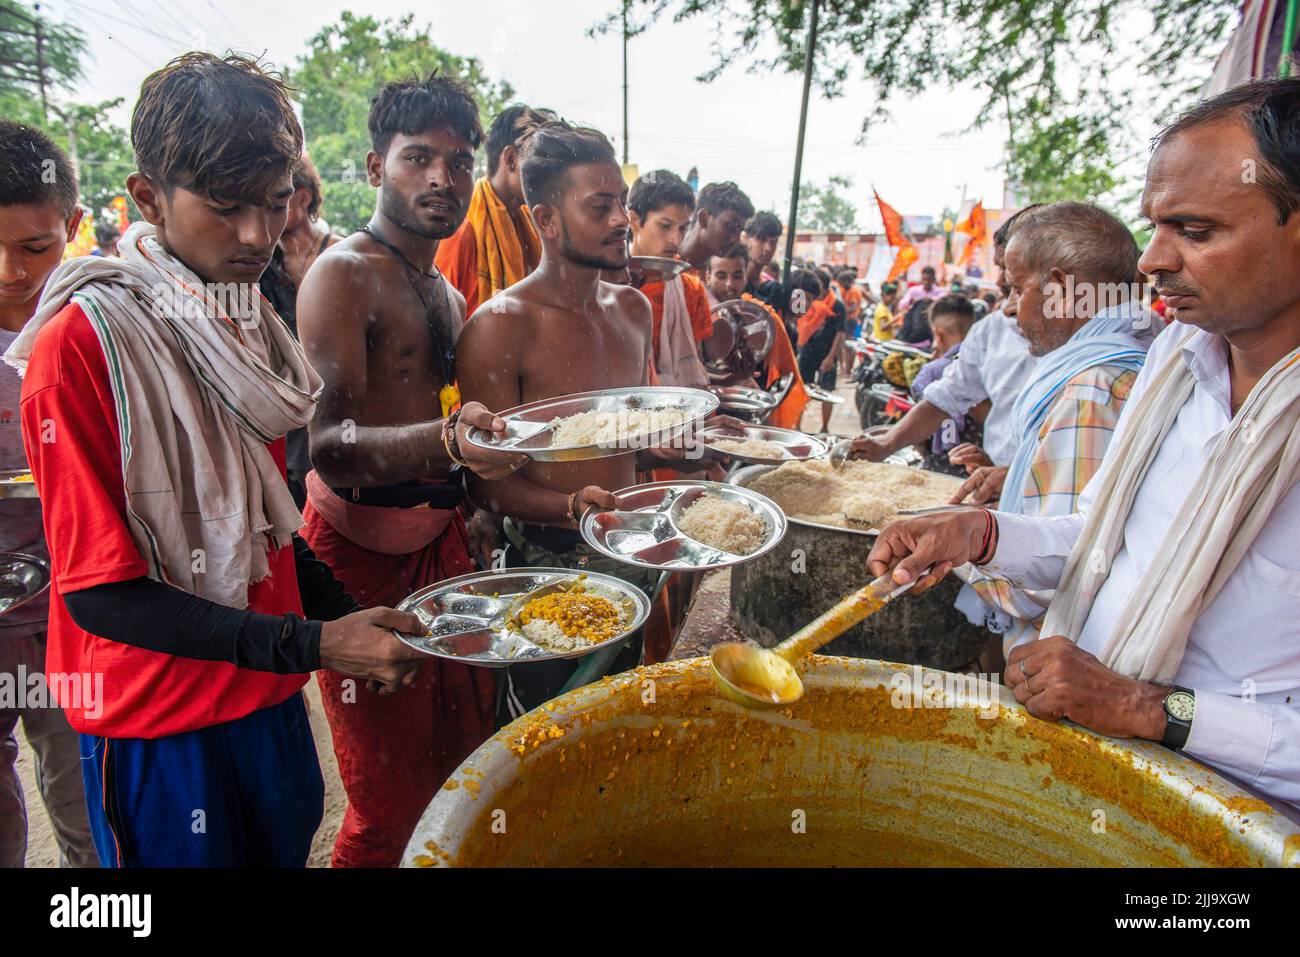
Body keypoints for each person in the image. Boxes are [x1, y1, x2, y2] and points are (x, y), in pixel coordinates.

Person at [6, 52, 435, 868]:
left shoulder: (240, 323)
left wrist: (347, 613)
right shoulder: (84, 346)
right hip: (159, 725)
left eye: (274, 204)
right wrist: (317, 643)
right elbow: (103, 599)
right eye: (224, 207)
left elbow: (269, 523)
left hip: (264, 705)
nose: (254, 236)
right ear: (146, 196)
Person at [868, 77, 1300, 815]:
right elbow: (1101, 537)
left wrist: (1150, 708)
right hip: (1086, 783)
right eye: (1155, 226)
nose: (1151, 260)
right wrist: (981, 531)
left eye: (1195, 231)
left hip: (1226, 830)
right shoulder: (1175, 362)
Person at [295, 74, 527, 868]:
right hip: (356, 558)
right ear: (373, 166)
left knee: (462, 767)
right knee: (387, 801)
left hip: (442, 550)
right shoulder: (341, 273)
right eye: (418, 158)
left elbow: (447, 423)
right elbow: (327, 442)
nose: (441, 179)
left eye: (459, 162)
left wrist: (477, 501)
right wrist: (452, 443)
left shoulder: (447, 293)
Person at [456, 121, 694, 725]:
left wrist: (693, 449)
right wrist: (572, 509)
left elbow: (623, 439)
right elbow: (485, 482)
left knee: (618, 720)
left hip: (631, 545)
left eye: (622, 203)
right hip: (546, 562)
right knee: (545, 731)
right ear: (547, 220)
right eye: (600, 206)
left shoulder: (632, 310)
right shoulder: (499, 326)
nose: (621, 219)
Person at [958, 202, 1153, 648]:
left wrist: (958, 544)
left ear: (1062, 289)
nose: (1007, 309)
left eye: (1015, 288)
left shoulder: (1090, 390)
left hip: (1054, 658)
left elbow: (1049, 578)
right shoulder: (1133, 356)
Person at [0, 120, 97, 869]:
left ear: (72, 225)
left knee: (85, 800)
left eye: (35, 248)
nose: (10, 271)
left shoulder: (95, 326)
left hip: (76, 612)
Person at [851, 207, 1042, 492]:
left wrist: (1015, 473)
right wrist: (886, 443)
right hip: (997, 494)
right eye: (999, 267)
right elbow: (947, 396)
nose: (1000, 280)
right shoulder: (991, 329)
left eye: (1009, 268)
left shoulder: (1099, 351)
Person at [259, 154, 340, 508]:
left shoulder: (338, 255)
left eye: (278, 199)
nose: (263, 212)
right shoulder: (261, 261)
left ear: (303, 198)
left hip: (331, 394)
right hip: (283, 398)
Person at [434, 104, 554, 316]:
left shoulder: (534, 225)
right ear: (510, 159)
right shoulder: (464, 226)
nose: (551, 178)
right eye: (541, 164)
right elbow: (442, 315)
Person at [704, 244, 809, 430]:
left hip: (737, 407)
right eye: (721, 276)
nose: (730, 284)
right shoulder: (692, 313)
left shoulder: (754, 316)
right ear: (707, 276)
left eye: (737, 276)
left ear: (746, 276)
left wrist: (741, 379)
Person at [626, 169, 711, 387]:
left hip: (681, 413)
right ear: (634, 219)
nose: (675, 239)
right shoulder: (605, 285)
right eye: (665, 226)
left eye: (683, 228)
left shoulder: (692, 290)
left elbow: (695, 362)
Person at [909, 295, 980, 476]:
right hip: (985, 469)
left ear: (938, 334)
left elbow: (920, 427)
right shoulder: (992, 365)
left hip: (941, 467)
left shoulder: (932, 372)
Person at [793, 268, 842, 432]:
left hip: (827, 353)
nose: (809, 301)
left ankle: (825, 428)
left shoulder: (836, 305)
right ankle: (797, 425)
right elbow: (797, 322)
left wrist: (830, 357)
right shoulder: (803, 302)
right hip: (807, 352)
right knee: (802, 389)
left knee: (827, 391)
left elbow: (840, 333)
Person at [679, 181, 754, 274]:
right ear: (704, 218)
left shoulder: (713, 278)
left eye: (739, 231)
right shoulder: (665, 265)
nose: (735, 239)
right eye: (730, 228)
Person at [741, 210, 787, 314]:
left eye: (773, 242)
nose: (768, 248)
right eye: (762, 240)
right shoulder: (730, 281)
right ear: (745, 238)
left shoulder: (773, 289)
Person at [894, 265, 944, 342]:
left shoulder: (939, 292)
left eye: (929, 280)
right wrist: (910, 302)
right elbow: (901, 305)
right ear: (921, 279)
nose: (926, 282)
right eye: (924, 279)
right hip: (914, 327)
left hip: (931, 328)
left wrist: (930, 300)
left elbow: (943, 301)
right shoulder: (913, 291)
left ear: (934, 279)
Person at [836, 268, 865, 374]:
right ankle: (845, 368)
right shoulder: (845, 290)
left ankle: (848, 369)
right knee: (845, 345)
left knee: (850, 345)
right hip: (847, 320)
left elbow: (853, 307)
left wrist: (842, 310)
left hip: (851, 320)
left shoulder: (854, 291)